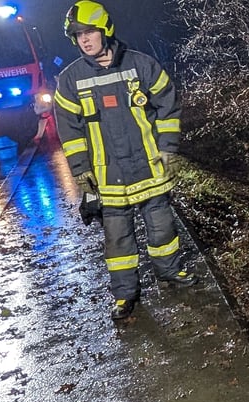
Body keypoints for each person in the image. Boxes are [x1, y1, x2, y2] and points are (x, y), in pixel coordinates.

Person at [54, 0, 197, 321]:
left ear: (105, 30)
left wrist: (168, 147)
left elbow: (168, 106)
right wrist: (81, 173)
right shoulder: (69, 80)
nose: (85, 40)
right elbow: (70, 132)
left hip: (149, 168)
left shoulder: (141, 65)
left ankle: (170, 271)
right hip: (108, 178)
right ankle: (125, 295)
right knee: (117, 240)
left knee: (162, 228)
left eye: (90, 32)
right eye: (78, 35)